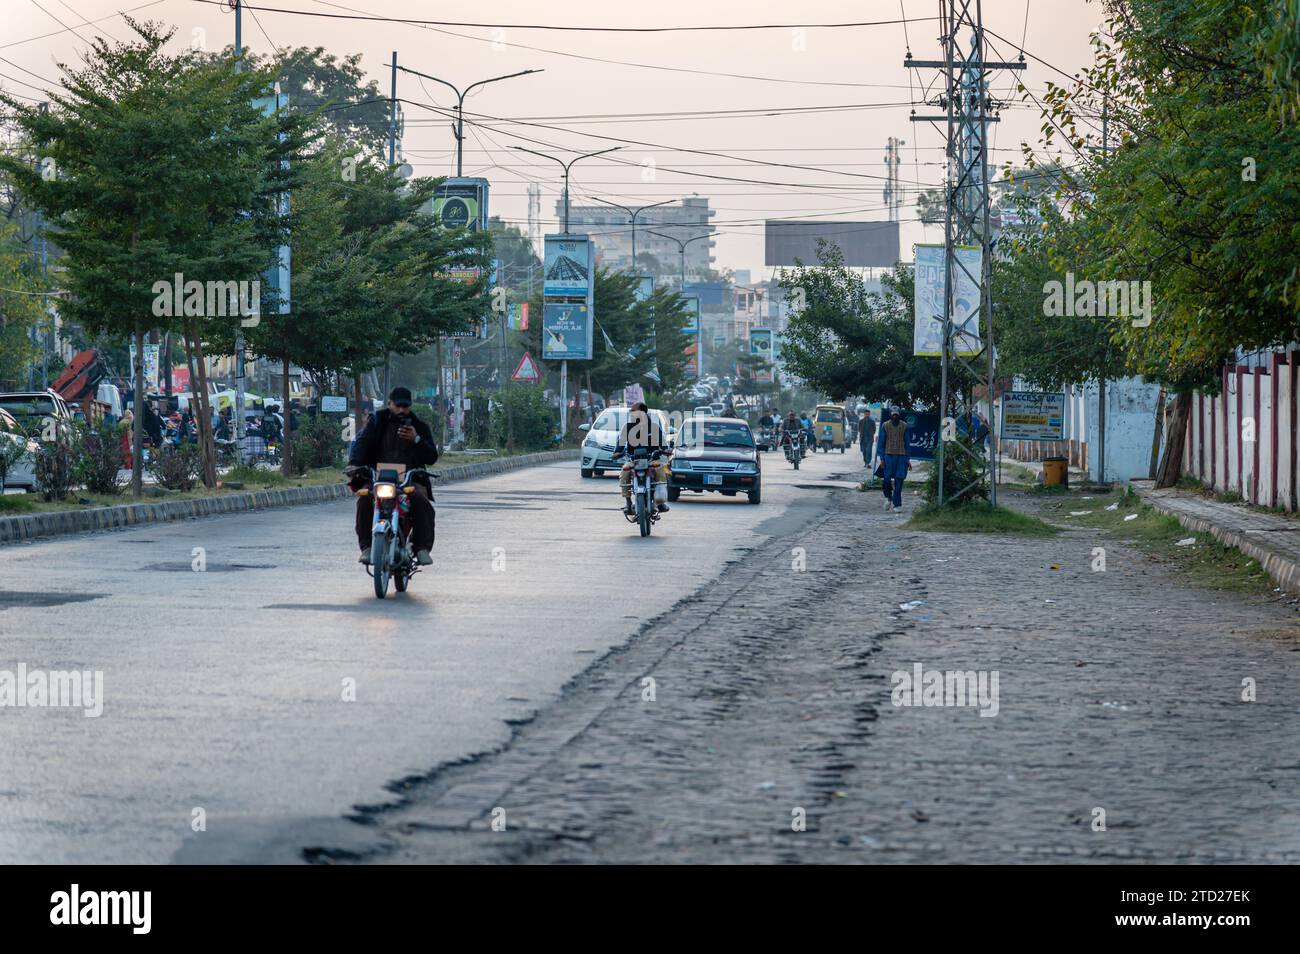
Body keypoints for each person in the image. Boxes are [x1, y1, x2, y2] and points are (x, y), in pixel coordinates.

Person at [346, 387, 439, 565]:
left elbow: (432, 457)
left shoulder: (419, 427)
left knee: (421, 501)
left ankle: (421, 548)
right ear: (389, 404)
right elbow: (362, 443)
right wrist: (354, 464)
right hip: (378, 479)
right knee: (364, 500)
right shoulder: (376, 421)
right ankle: (366, 547)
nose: (402, 410)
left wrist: (416, 440)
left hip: (409, 480)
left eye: (406, 406)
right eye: (398, 406)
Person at [616, 402, 670, 515]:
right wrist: (617, 452)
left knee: (660, 470)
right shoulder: (627, 427)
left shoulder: (654, 427)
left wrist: (666, 450)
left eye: (634, 412)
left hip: (652, 460)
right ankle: (628, 502)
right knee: (624, 472)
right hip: (633, 460)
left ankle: (659, 502)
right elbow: (620, 446)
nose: (632, 414)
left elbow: (664, 445)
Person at [878, 408, 910, 512]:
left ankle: (897, 505)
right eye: (893, 415)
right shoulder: (885, 426)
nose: (895, 416)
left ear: (899, 415)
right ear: (890, 415)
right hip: (888, 456)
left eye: (896, 415)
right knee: (886, 480)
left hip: (901, 456)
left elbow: (907, 444)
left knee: (899, 480)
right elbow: (881, 444)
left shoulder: (904, 426)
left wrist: (907, 459)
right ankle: (889, 498)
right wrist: (882, 459)